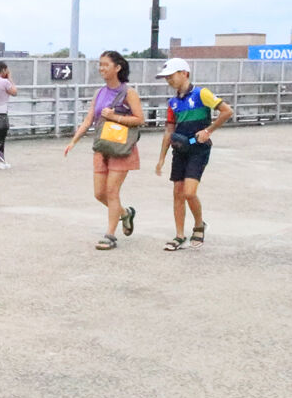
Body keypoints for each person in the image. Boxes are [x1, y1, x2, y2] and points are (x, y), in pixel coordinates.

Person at [62, 51, 143, 250]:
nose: (101, 68)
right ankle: (125, 214)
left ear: (118, 68)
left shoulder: (128, 92)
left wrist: (115, 117)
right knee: (99, 193)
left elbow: (140, 119)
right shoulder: (99, 92)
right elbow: (90, 119)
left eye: (106, 64)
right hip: (102, 146)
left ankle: (110, 235)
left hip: (121, 147)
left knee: (112, 191)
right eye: (100, 64)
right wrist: (74, 140)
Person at [154, 57, 234, 251]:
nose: (169, 81)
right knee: (177, 193)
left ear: (184, 74)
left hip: (198, 149)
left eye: (171, 76)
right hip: (180, 149)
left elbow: (226, 111)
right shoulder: (172, 103)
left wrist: (209, 130)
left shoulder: (201, 94)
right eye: (166, 78)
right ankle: (179, 235)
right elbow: (169, 130)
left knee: (189, 192)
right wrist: (162, 157)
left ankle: (199, 224)